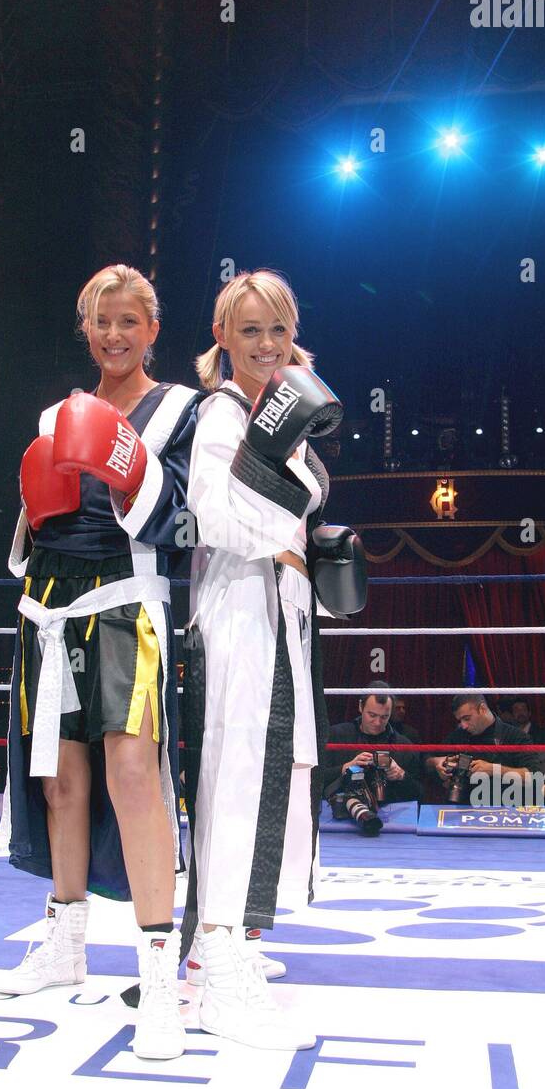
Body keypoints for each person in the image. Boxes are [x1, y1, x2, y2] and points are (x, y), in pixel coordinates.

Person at [0, 263, 200, 1063]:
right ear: (84, 329)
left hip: (128, 599)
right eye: (99, 321)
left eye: (128, 321)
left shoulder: (184, 408)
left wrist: (128, 470)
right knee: (60, 778)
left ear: (153, 328)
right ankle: (64, 939)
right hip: (49, 602)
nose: (113, 335)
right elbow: (37, 520)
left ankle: (157, 975)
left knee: (133, 772)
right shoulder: (57, 412)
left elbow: (186, 521)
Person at [183, 268, 364, 1049]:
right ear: (223, 336)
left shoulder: (269, 411)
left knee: (274, 778)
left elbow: (291, 515)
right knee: (236, 777)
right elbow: (214, 516)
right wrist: (282, 473)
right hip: (238, 606)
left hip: (284, 607)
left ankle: (230, 943)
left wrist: (320, 556)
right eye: (250, 330)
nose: (266, 344)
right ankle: (217, 962)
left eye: (278, 331)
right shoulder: (221, 413)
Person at [324, 683, 423, 834]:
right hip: (338, 820)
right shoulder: (336, 736)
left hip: (391, 825)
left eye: (384, 717)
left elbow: (420, 794)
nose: (377, 723)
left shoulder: (403, 745)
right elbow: (313, 779)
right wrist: (345, 768)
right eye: (372, 715)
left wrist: (401, 776)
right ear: (360, 707)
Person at [428, 694, 545, 807]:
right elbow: (427, 759)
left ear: (482, 709)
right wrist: (439, 763)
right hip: (464, 809)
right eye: (460, 720)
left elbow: (534, 776)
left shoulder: (515, 736)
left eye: (467, 718)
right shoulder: (458, 736)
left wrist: (494, 770)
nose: (463, 725)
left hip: (505, 810)